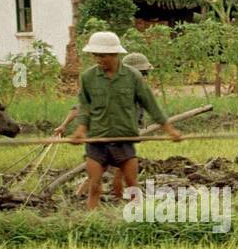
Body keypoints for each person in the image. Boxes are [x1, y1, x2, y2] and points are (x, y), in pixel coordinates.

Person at [69, 31, 181, 210]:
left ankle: (139, 220)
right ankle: (90, 223)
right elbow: (84, 106)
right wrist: (81, 130)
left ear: (115, 55)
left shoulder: (133, 77)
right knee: (95, 186)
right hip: (97, 140)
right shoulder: (88, 78)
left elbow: (150, 104)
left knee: (132, 185)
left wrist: (169, 129)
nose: (98, 59)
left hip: (124, 139)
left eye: (102, 55)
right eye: (95, 55)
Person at [55, 51, 158, 199]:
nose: (144, 77)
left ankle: (86, 194)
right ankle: (110, 195)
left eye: (145, 74)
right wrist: (64, 125)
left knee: (107, 168)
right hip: (107, 134)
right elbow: (81, 107)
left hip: (125, 134)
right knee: (109, 168)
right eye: (142, 73)